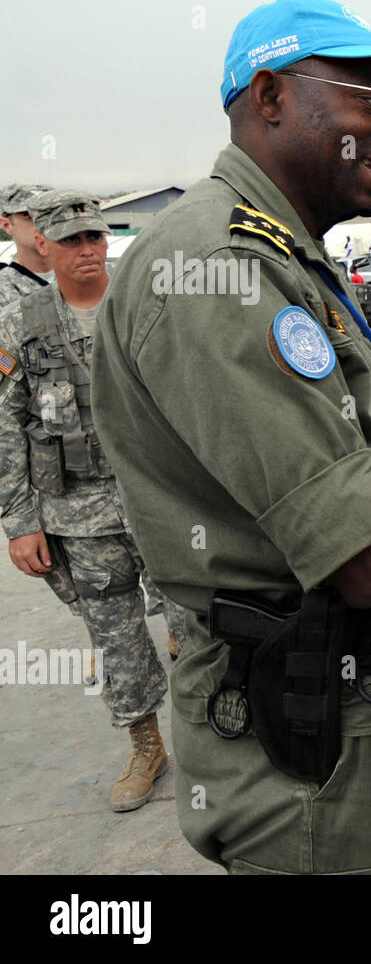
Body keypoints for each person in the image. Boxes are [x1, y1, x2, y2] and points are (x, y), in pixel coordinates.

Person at [91, 0, 371, 875]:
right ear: (269, 96)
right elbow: (369, 555)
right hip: (305, 741)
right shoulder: (218, 268)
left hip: (342, 704)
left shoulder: (280, 250)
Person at [0, 190, 170, 813]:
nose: (87, 250)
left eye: (95, 237)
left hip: (163, 502)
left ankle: (221, 738)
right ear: (41, 243)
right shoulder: (21, 320)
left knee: (199, 620)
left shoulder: (144, 299)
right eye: (71, 240)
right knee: (116, 636)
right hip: (79, 513)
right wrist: (19, 522)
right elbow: (6, 423)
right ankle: (146, 746)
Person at [0, 184, 55, 306]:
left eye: (51, 214)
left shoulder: (92, 275)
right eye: (30, 216)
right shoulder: (4, 288)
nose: (44, 224)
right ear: (6, 225)